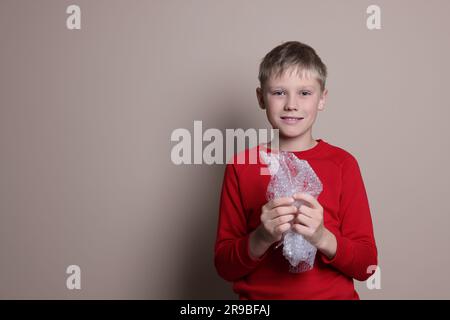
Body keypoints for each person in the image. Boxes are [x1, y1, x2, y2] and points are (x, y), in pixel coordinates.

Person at [214, 41, 378, 299]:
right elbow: (224, 266)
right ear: (260, 98)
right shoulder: (241, 166)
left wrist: (322, 237)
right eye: (279, 92)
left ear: (322, 99)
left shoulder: (343, 164)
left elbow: (367, 266)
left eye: (304, 93)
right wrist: (262, 236)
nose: (291, 104)